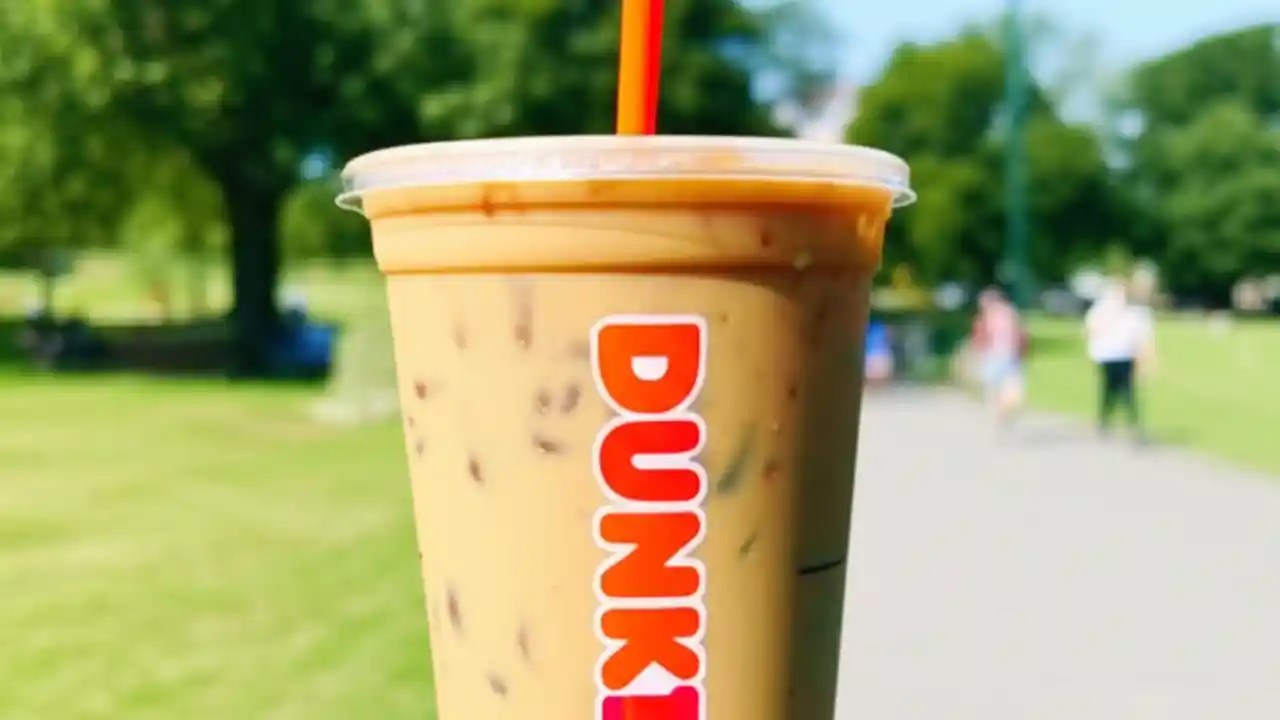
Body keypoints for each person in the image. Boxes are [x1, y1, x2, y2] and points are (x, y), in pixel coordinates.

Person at [1085, 279, 1155, 440]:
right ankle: (1104, 420)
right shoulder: (1101, 311)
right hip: (1108, 357)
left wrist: (1144, 357)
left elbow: (1138, 336)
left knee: (1128, 392)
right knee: (1108, 390)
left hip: (1125, 356)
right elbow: (1092, 330)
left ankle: (1134, 425)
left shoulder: (1131, 314)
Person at [970, 287, 1027, 427]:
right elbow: (979, 339)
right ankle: (1000, 414)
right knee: (996, 391)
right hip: (994, 357)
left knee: (1010, 393)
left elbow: (1020, 335)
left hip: (1007, 357)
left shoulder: (1008, 314)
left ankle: (1002, 413)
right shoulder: (985, 318)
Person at [863, 319, 894, 388]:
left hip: (875, 350)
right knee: (875, 370)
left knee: (875, 370)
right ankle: (876, 385)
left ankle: (876, 385)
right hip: (875, 351)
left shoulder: (874, 327)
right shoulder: (879, 327)